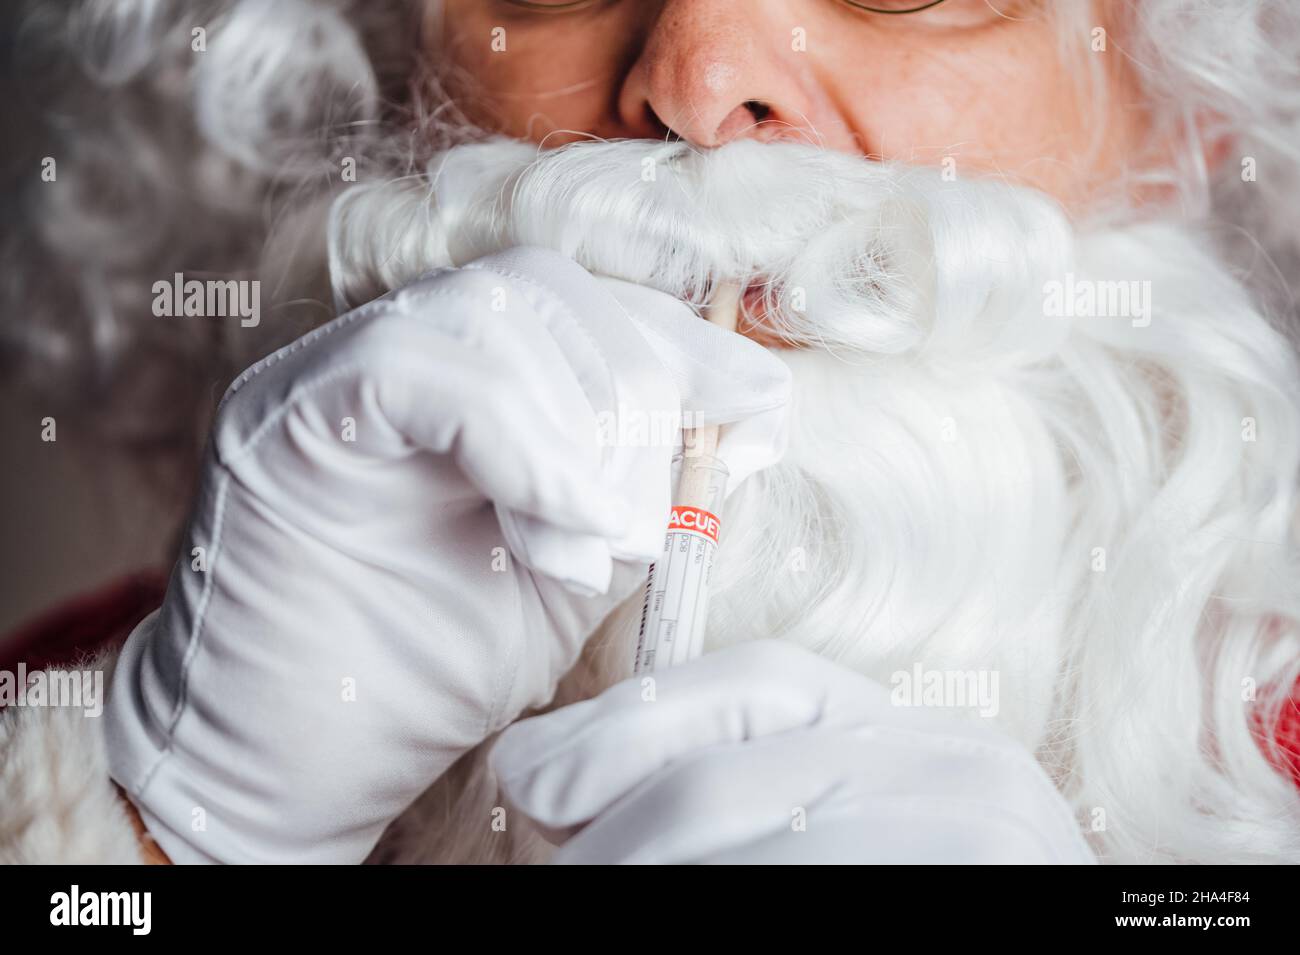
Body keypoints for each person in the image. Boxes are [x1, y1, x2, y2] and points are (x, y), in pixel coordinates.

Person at [2, 0, 1299, 864]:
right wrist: (166, 834)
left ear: (1192, 105)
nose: (698, 79)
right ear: (380, 61)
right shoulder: (91, 717)